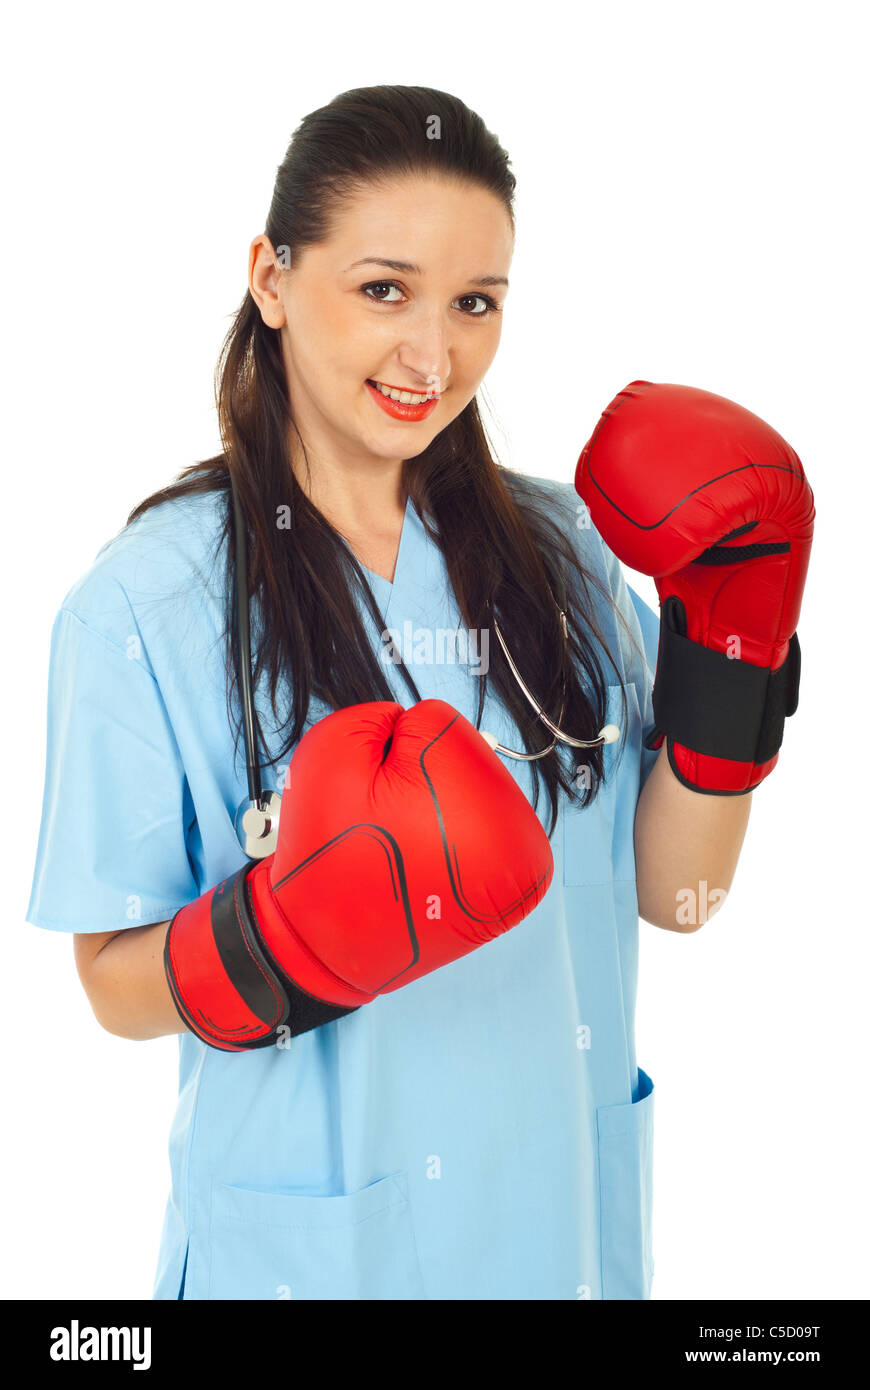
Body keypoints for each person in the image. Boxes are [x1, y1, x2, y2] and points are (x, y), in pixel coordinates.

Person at [26, 84, 808, 1301]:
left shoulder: (566, 551)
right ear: (273, 279)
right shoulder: (147, 602)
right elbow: (111, 984)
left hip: (560, 1233)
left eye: (475, 303)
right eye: (384, 290)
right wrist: (281, 938)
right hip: (313, 1257)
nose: (433, 358)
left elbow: (676, 895)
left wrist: (735, 650)